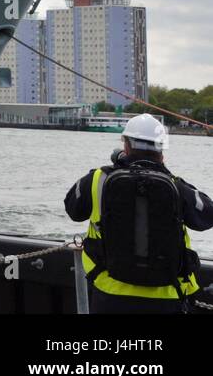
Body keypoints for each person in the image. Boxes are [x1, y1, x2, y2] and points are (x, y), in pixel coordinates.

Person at [64, 113, 213, 313]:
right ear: (162, 150)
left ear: (125, 146)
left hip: (109, 293)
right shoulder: (176, 187)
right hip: (166, 297)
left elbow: (73, 209)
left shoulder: (98, 179)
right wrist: (165, 174)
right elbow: (207, 216)